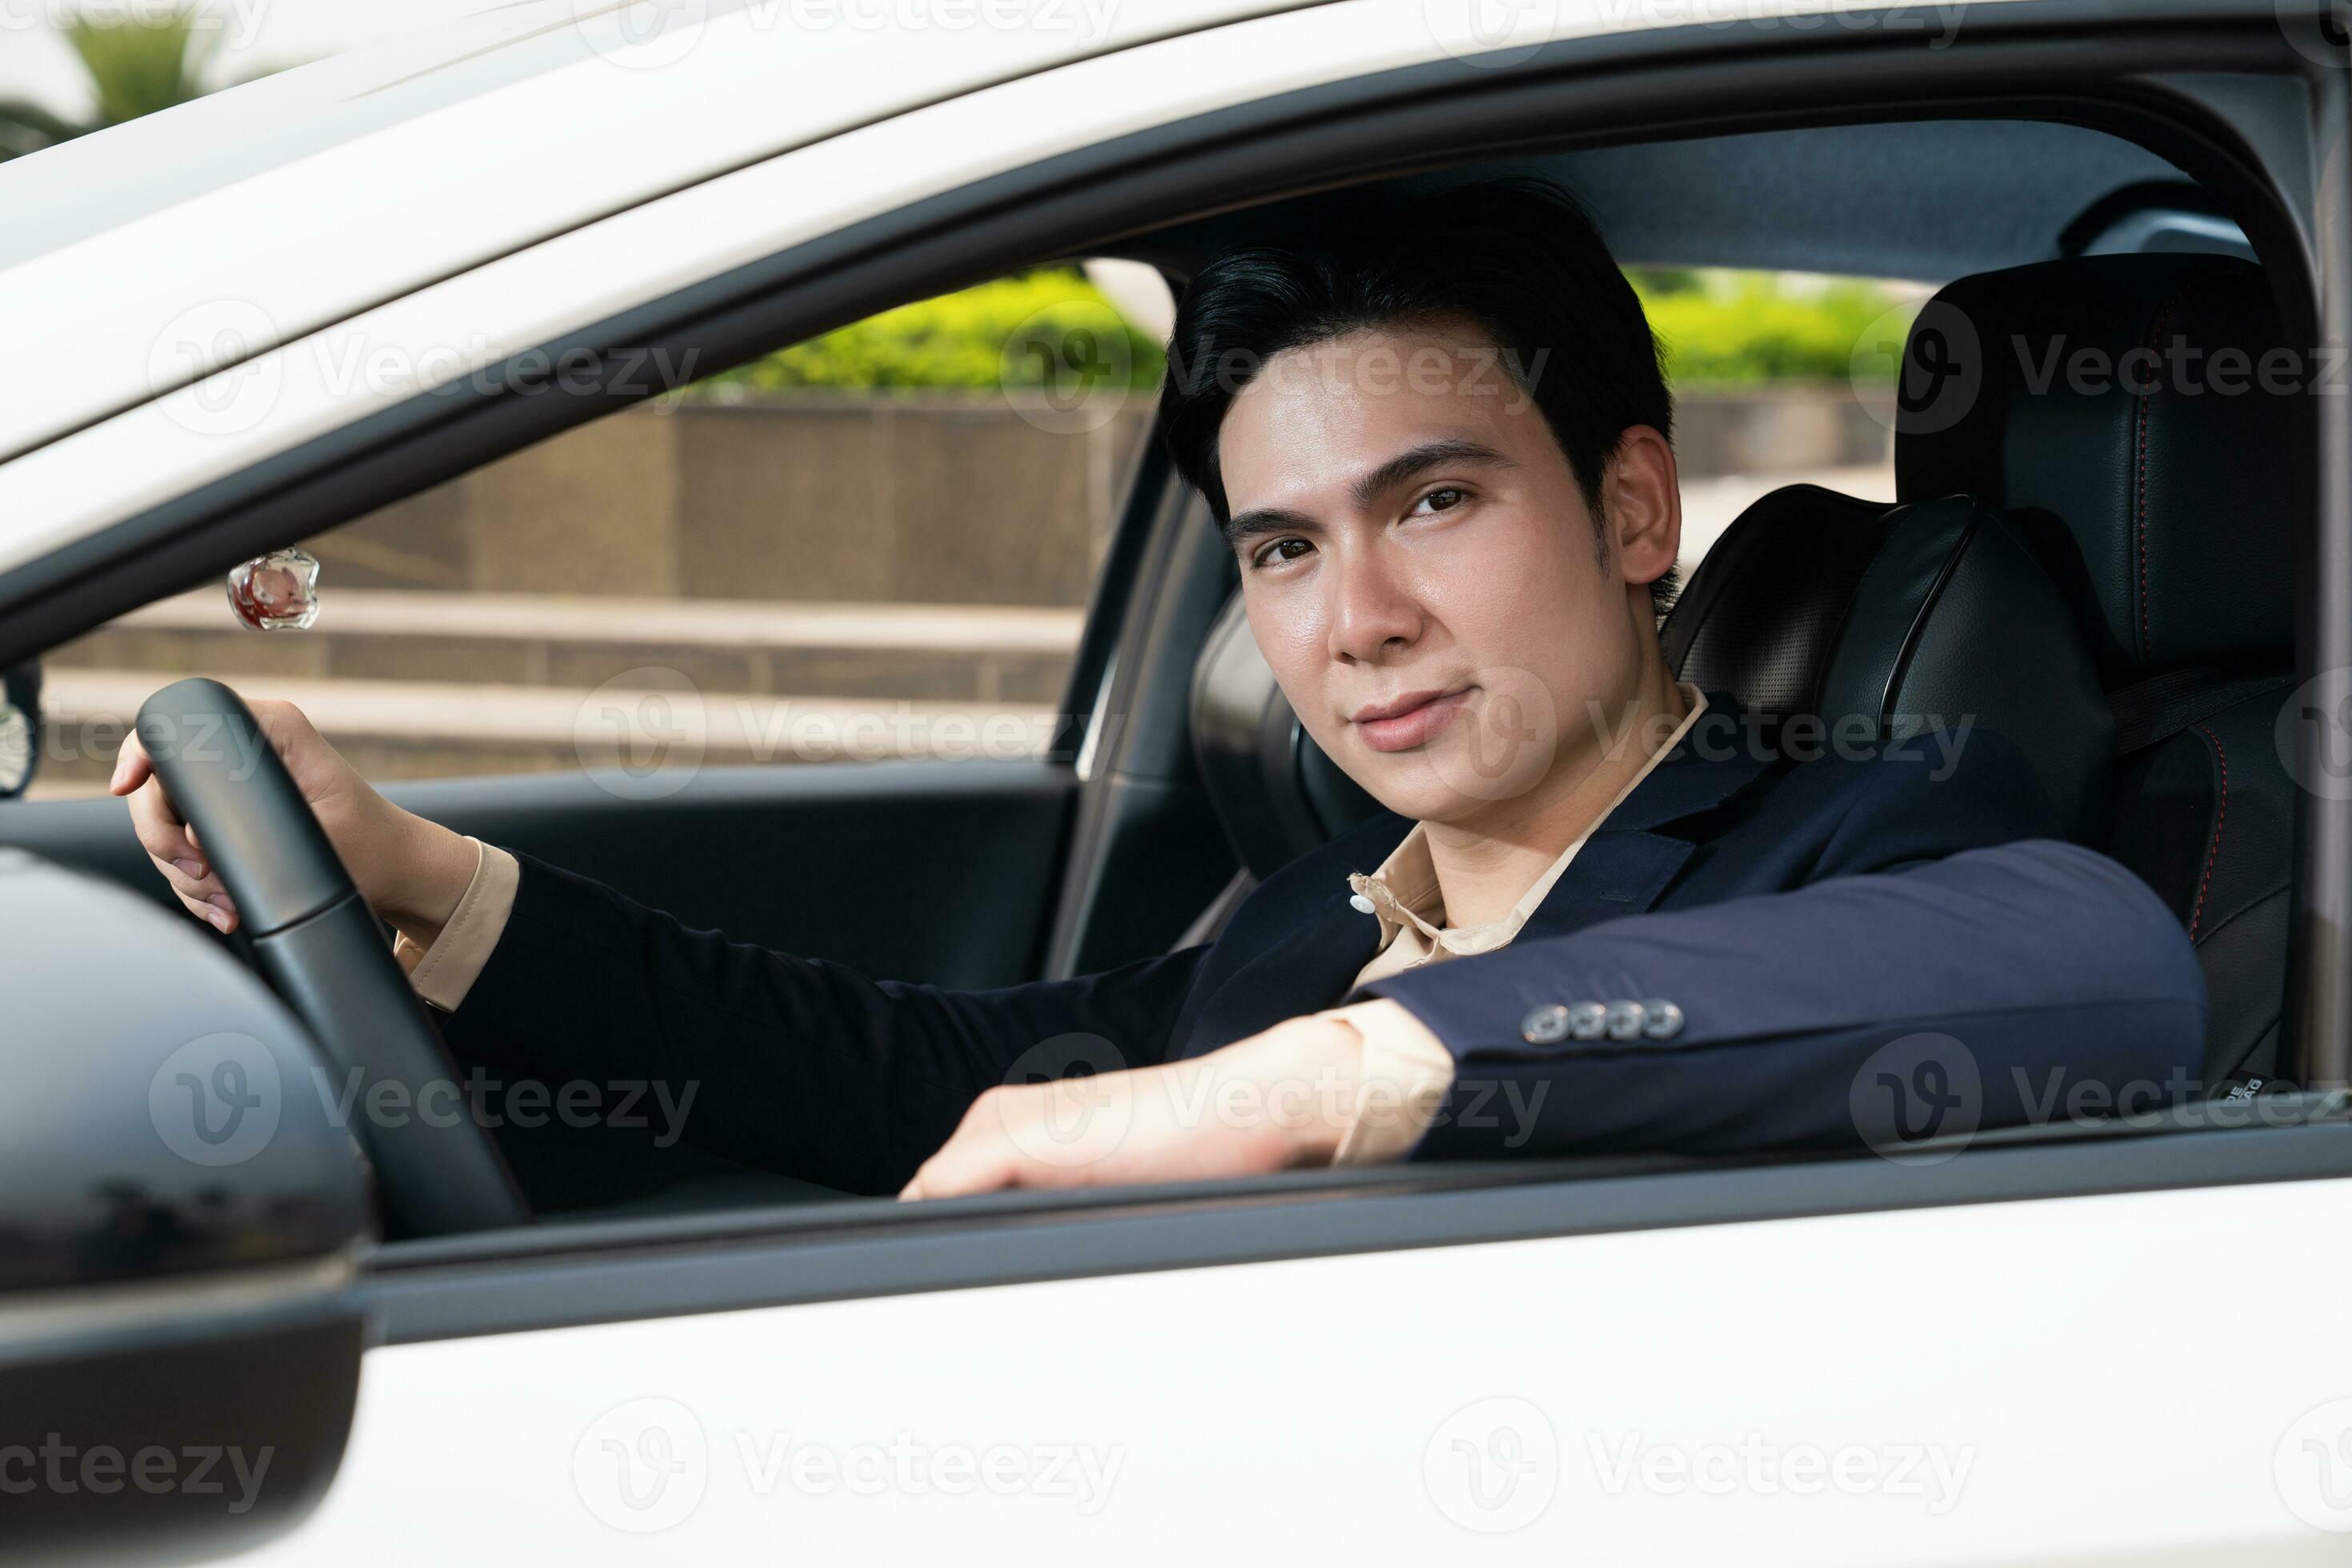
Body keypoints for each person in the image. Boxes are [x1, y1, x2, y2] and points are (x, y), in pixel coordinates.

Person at [114, 178, 2207, 1201]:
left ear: (1633, 505)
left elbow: (2091, 962)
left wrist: (1328, 1078)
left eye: (1437, 500)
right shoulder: (1313, 912)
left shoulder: (1853, 826)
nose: (1349, 617)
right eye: (1282, 547)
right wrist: (406, 866)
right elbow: (916, 1075)